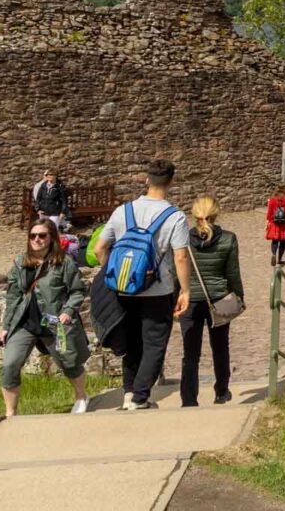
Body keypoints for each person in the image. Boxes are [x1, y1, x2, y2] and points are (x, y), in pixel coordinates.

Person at [93, 159, 191, 411]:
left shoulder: (123, 211)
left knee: (133, 342)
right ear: (170, 183)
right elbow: (180, 256)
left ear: (146, 180)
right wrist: (186, 290)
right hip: (158, 290)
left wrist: (113, 276)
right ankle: (140, 398)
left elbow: (99, 248)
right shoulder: (175, 217)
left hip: (124, 289)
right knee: (154, 343)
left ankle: (128, 394)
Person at [0, 218, 90, 415]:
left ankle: (81, 396)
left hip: (53, 322)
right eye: (33, 236)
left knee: (69, 362)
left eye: (42, 235)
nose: (37, 239)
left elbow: (78, 290)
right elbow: (13, 296)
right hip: (25, 322)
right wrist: (6, 326)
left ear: (51, 238)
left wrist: (68, 311)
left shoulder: (64, 263)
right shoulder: (20, 262)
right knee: (9, 365)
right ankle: (10, 414)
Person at [179, 196, 243, 407]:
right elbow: (232, 272)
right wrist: (238, 296)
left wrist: (176, 296)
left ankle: (189, 398)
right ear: (216, 213)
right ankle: (222, 391)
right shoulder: (228, 239)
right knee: (220, 347)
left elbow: (175, 269)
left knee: (190, 352)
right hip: (218, 297)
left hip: (191, 299)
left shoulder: (183, 240)